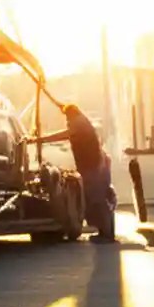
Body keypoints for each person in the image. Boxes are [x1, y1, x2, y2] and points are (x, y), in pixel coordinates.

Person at [35, 103, 116, 243]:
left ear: (71, 116)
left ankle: (106, 234)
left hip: (94, 167)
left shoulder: (78, 123)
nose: (67, 123)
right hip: (94, 166)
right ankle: (104, 232)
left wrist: (42, 139)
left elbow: (65, 134)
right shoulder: (81, 120)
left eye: (67, 119)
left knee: (97, 199)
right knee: (95, 199)